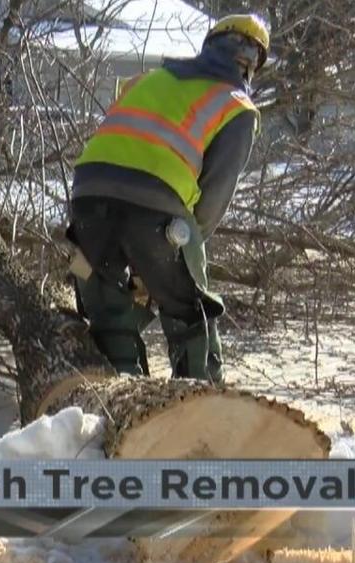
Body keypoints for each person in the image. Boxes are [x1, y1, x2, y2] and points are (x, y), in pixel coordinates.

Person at [67, 14, 270, 382]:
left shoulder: (143, 80)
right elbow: (210, 204)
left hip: (84, 198)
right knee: (191, 309)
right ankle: (200, 401)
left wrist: (143, 261)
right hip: (156, 209)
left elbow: (118, 148)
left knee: (106, 307)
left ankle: (115, 402)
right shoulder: (236, 106)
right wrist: (168, 262)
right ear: (252, 62)